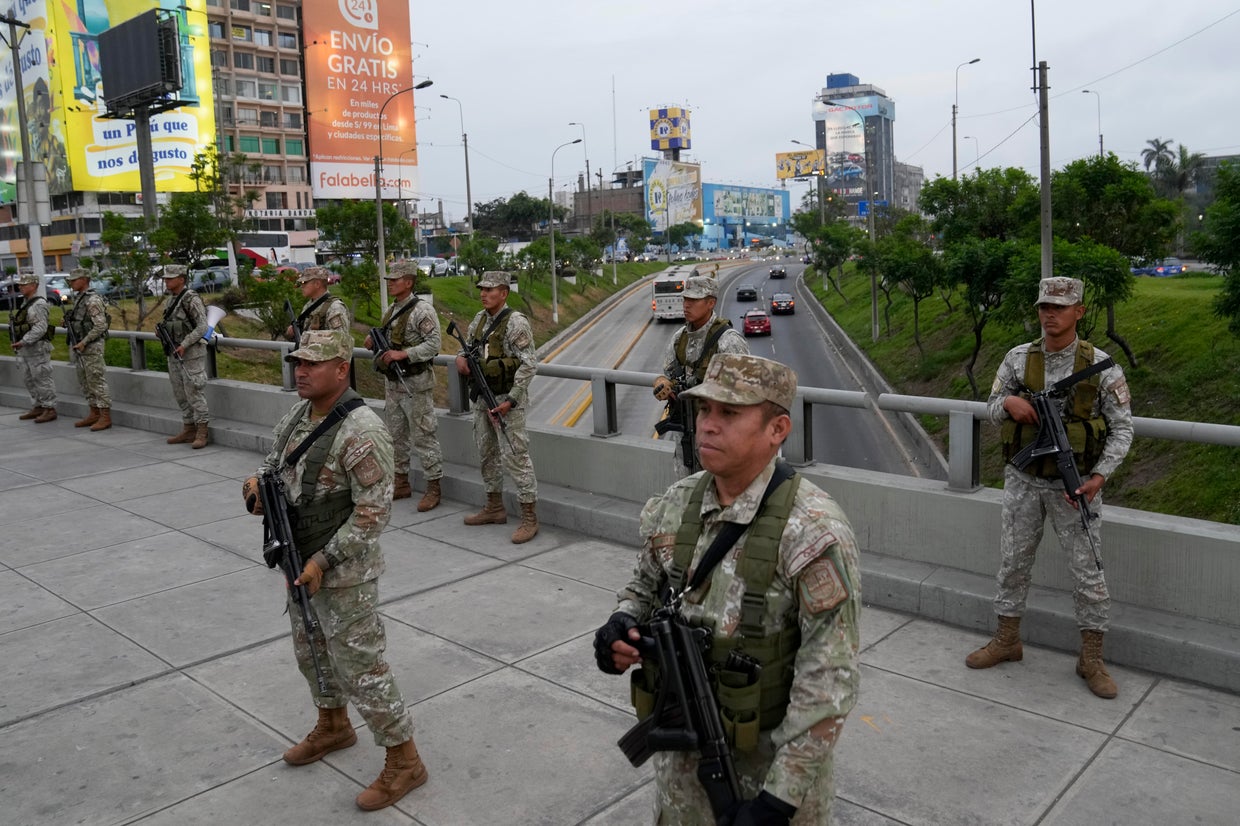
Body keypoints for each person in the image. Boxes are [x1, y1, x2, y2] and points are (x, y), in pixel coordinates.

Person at [594, 353, 861, 825]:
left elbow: (829, 682)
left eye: (729, 413)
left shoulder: (813, 531)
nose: (708, 426)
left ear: (777, 429)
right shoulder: (679, 501)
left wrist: (777, 802)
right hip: (681, 775)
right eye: (703, 411)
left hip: (767, 781)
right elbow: (644, 584)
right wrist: (622, 624)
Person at [242, 330, 428, 811]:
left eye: (313, 364)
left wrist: (323, 561)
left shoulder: (363, 430)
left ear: (342, 369)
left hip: (345, 574)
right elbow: (272, 467)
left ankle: (404, 760)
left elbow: (373, 513)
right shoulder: (297, 415)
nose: (301, 371)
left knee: (363, 668)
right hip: (298, 560)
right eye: (298, 362)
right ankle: (333, 725)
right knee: (312, 654)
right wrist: (255, 489)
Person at [966, 276, 1134, 699]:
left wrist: (1098, 478)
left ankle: (1091, 657)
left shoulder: (1102, 366)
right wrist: (1008, 404)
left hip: (1075, 488)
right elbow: (989, 408)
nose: (1050, 314)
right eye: (1044, 306)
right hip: (1023, 482)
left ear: (1079, 311)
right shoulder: (1018, 359)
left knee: (1089, 572)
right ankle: (1007, 640)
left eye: (1060, 307)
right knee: (1014, 562)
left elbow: (1122, 430)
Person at [453, 272, 540, 543]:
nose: (483, 294)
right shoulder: (479, 320)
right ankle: (494, 507)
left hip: (507, 402)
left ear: (504, 293)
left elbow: (529, 364)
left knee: (516, 456)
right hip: (483, 399)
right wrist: (460, 359)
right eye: (482, 289)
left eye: (490, 290)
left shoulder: (516, 323)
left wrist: (511, 400)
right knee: (487, 454)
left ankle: (529, 517)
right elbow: (469, 350)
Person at [364, 259, 443, 511]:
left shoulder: (422, 311)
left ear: (408, 282)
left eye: (395, 280)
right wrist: (373, 342)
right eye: (390, 280)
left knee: (423, 435)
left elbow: (433, 345)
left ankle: (434, 486)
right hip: (394, 385)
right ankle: (401, 481)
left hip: (416, 385)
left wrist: (404, 354)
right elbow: (386, 340)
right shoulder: (391, 310)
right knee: (395, 436)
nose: (391, 284)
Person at [653, 274, 749, 473]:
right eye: (685, 299)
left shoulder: (728, 340)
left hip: (719, 431)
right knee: (686, 483)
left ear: (710, 303)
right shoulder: (680, 338)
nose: (686, 305)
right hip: (686, 427)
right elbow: (669, 373)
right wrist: (662, 381)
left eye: (694, 300)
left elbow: (744, 391)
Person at [158, 264, 211, 449]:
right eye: (165, 278)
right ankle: (188, 428)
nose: (167, 281)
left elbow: (203, 326)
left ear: (181, 279)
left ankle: (202, 431)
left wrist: (185, 344)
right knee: (180, 393)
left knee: (194, 392)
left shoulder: (191, 299)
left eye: (170, 278)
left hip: (191, 354)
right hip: (174, 353)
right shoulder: (170, 300)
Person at [64, 268, 113, 431]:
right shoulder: (80, 298)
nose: (71, 283)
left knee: (96, 380)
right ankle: (94, 412)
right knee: (85, 381)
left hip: (91, 346)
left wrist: (85, 341)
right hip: (80, 345)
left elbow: (101, 325)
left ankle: (105, 416)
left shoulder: (92, 299)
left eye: (75, 280)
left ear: (84, 280)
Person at [10, 271, 58, 423]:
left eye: (24, 284)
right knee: (29, 379)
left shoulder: (39, 304)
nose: (20, 287)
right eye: (20, 284)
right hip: (27, 349)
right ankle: (38, 406)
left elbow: (40, 328)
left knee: (42, 378)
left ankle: (50, 408)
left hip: (38, 348)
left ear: (33, 286)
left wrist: (24, 340)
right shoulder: (26, 303)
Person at [285, 266, 350, 340]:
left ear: (317, 284)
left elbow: (340, 340)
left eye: (304, 282)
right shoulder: (309, 305)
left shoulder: (335, 307)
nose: (301, 286)